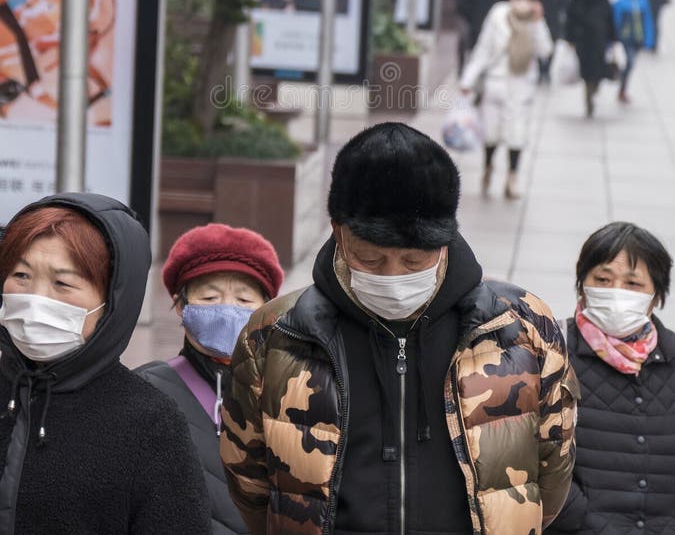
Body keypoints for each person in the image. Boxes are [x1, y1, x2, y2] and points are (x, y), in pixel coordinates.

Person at [220, 122, 578, 535]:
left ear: (445, 241)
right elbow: (250, 482)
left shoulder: (520, 328)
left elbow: (552, 472)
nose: (392, 275)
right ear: (338, 231)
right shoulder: (277, 335)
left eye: (413, 262)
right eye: (370, 259)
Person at [0, 192, 211, 535]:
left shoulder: (149, 424)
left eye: (62, 283)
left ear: (112, 302)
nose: (35, 297)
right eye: (21, 275)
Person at [137, 223, 284, 535]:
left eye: (244, 300)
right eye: (209, 296)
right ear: (180, 305)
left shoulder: (291, 392)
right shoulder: (145, 391)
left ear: (267, 310)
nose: (227, 309)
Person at [548, 222, 675, 534]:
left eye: (633, 284)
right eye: (603, 279)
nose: (617, 292)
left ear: (656, 296)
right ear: (582, 285)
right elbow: (534, 459)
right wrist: (583, 520)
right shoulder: (551, 353)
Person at [460, 0, 553, 199]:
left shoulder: (535, 22)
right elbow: (483, 49)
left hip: (521, 85)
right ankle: (488, 165)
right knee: (491, 133)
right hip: (495, 82)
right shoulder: (498, 15)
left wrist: (539, 23)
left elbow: (545, 51)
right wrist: (468, 80)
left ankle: (512, 177)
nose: (522, 2)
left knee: (516, 134)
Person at [565, 0, 616, 119]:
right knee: (587, 72)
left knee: (599, 72)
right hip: (583, 41)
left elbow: (610, 21)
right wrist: (570, 39)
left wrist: (613, 39)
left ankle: (594, 91)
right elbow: (570, 20)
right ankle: (588, 99)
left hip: (599, 41)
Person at [612, 0, 655, 103]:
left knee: (630, 65)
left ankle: (622, 88)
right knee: (629, 62)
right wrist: (613, 38)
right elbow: (616, 20)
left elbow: (648, 21)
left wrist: (649, 40)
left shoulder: (644, 0)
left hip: (638, 39)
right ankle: (622, 88)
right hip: (625, 39)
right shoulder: (621, 0)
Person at [538, 0, 568, 82]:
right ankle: (541, 69)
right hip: (540, 20)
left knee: (552, 46)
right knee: (540, 45)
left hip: (554, 20)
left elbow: (565, 3)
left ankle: (548, 68)